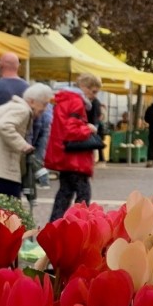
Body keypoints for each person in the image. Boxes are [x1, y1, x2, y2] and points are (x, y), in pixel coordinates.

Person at [0, 83, 53, 199]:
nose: (45, 109)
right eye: (44, 104)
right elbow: (4, 126)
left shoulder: (7, 107)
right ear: (32, 101)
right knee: (8, 214)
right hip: (0, 173)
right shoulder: (23, 110)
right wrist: (24, 146)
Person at [44, 73, 103, 220]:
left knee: (64, 193)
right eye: (93, 91)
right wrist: (88, 129)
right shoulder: (76, 102)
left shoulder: (65, 99)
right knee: (83, 195)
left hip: (65, 156)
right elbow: (71, 130)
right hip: (75, 159)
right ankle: (78, 226)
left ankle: (54, 227)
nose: (94, 96)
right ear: (84, 87)